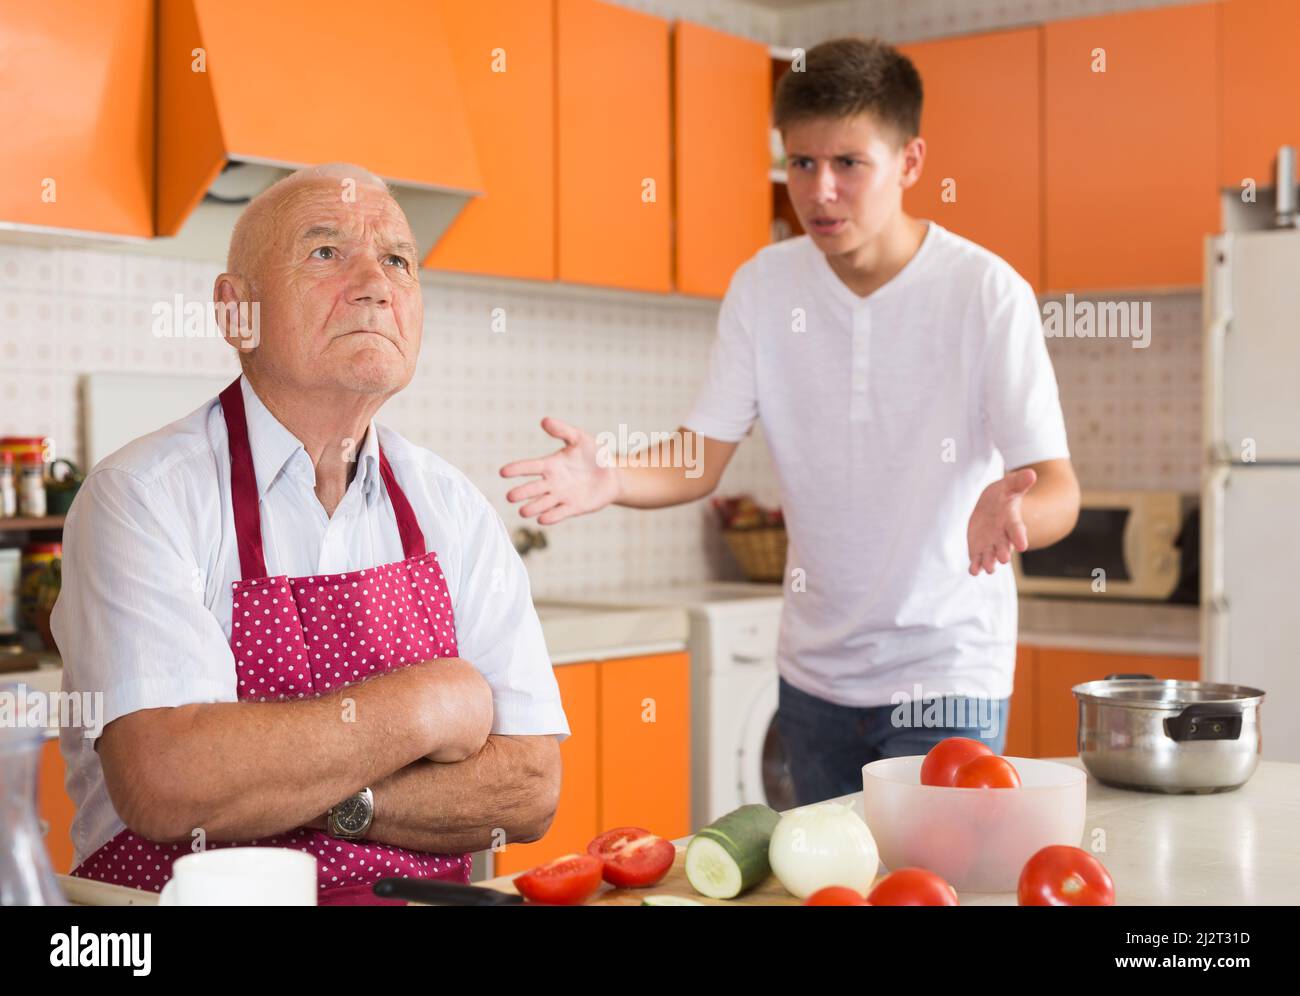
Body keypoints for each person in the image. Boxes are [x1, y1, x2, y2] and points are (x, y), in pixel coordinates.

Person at [500, 38, 1079, 806]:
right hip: (814, 676)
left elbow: (1059, 490)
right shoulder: (764, 289)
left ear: (909, 162)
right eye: (800, 164)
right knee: (825, 885)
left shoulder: (984, 292)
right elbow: (699, 458)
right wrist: (615, 472)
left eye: (848, 164)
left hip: (947, 670)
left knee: (930, 885)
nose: (821, 191)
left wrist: (1015, 516)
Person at [53, 163, 568, 904]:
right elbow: (170, 784)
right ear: (236, 312)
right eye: (325, 252)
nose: (374, 284)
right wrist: (432, 704)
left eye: (397, 259)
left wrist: (329, 796)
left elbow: (528, 790)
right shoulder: (141, 496)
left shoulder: (453, 506)